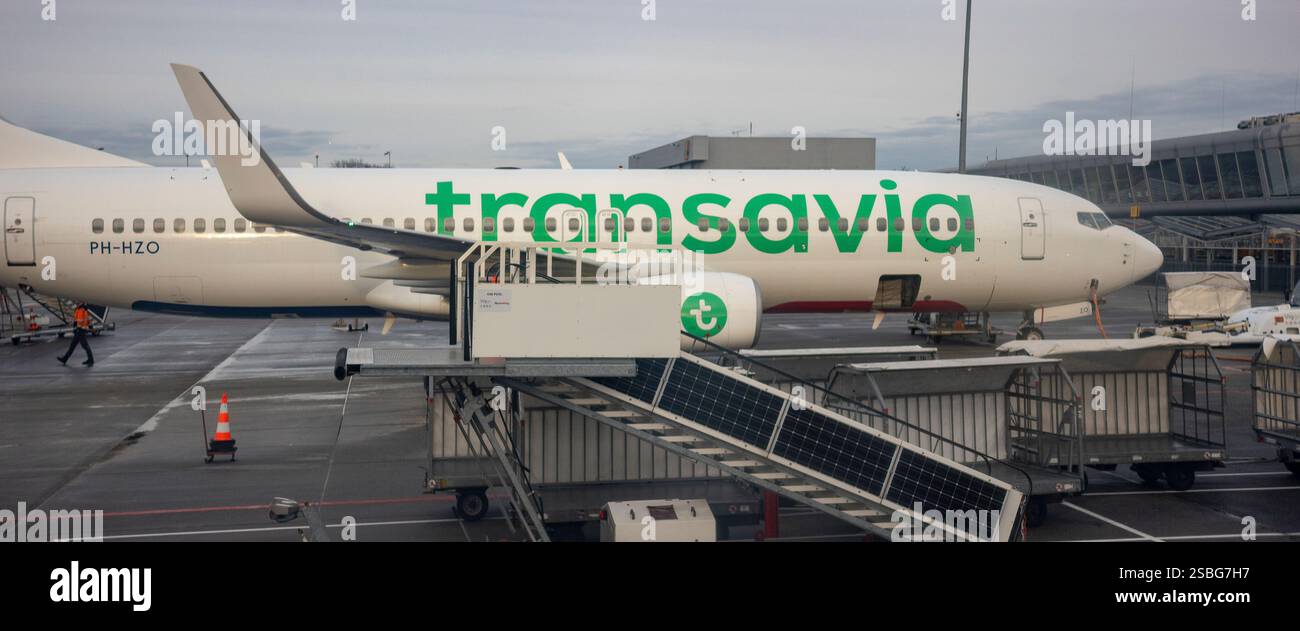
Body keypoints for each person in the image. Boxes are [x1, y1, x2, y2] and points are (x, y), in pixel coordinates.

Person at [57, 302, 94, 367]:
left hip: (80, 330)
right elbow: (87, 319)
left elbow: (80, 320)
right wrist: (89, 325)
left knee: (84, 346)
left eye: (78, 302)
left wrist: (75, 322)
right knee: (72, 346)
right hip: (79, 330)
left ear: (81, 303)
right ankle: (65, 359)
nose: (77, 303)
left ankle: (91, 360)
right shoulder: (82, 309)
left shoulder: (81, 310)